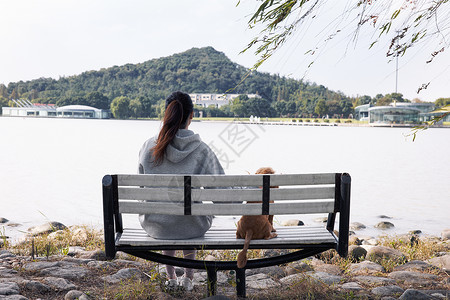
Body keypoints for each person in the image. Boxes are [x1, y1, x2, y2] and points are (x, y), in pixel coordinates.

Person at [138, 91, 224, 291]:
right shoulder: (202, 149)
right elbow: (221, 191)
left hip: (156, 224)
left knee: (168, 214)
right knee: (189, 214)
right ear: (191, 115)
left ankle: (171, 277)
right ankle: (188, 278)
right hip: (193, 226)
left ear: (167, 113)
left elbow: (142, 187)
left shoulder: (148, 146)